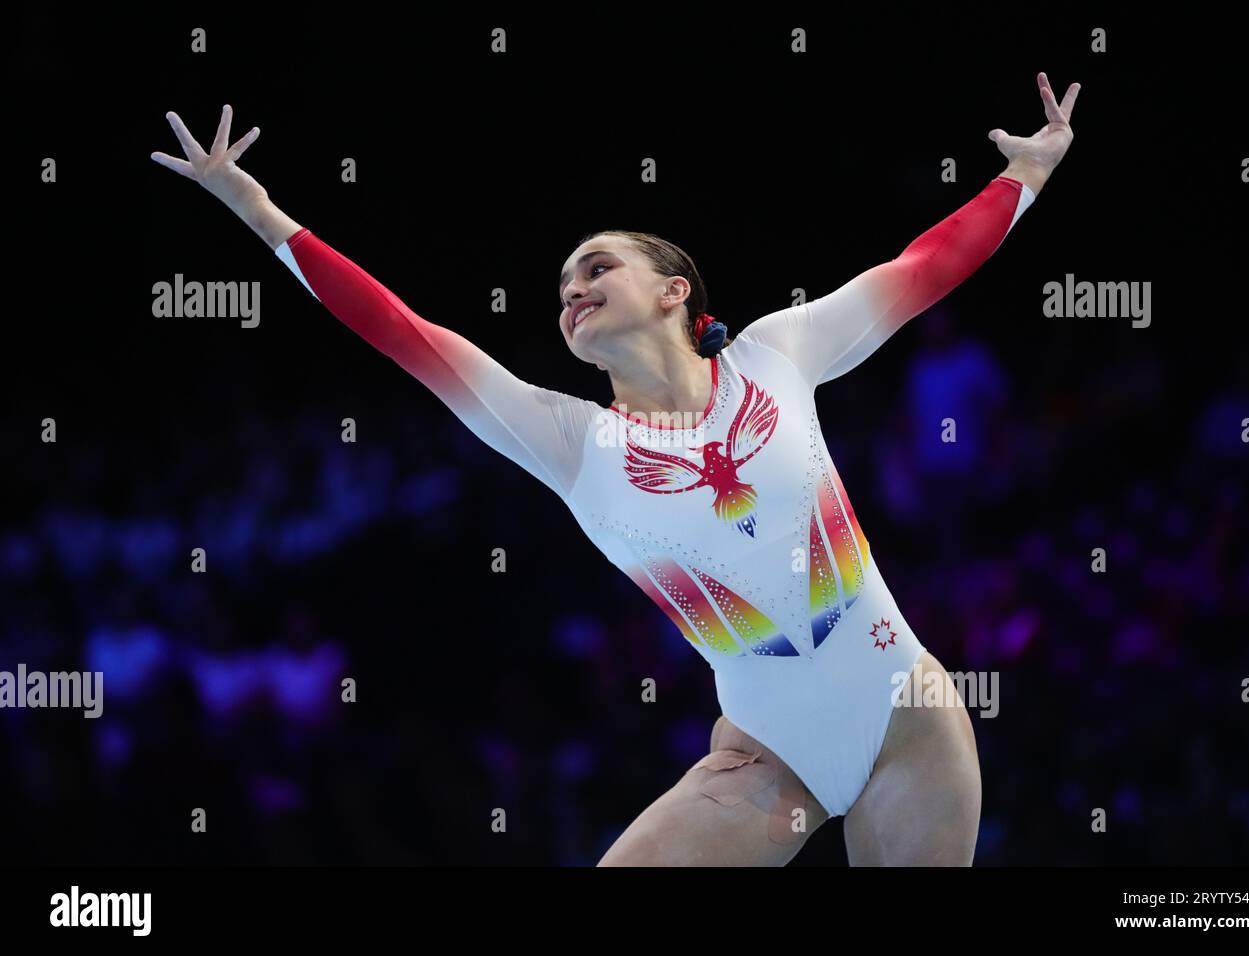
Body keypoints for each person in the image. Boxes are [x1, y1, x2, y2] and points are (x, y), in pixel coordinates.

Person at [151, 72, 1080, 865]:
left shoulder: (776, 355)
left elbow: (925, 265)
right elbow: (404, 332)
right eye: (562, 292)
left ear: (676, 290)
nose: (574, 292)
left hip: (909, 719)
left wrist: (1024, 177)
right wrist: (261, 213)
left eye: (596, 269)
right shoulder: (573, 443)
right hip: (770, 760)